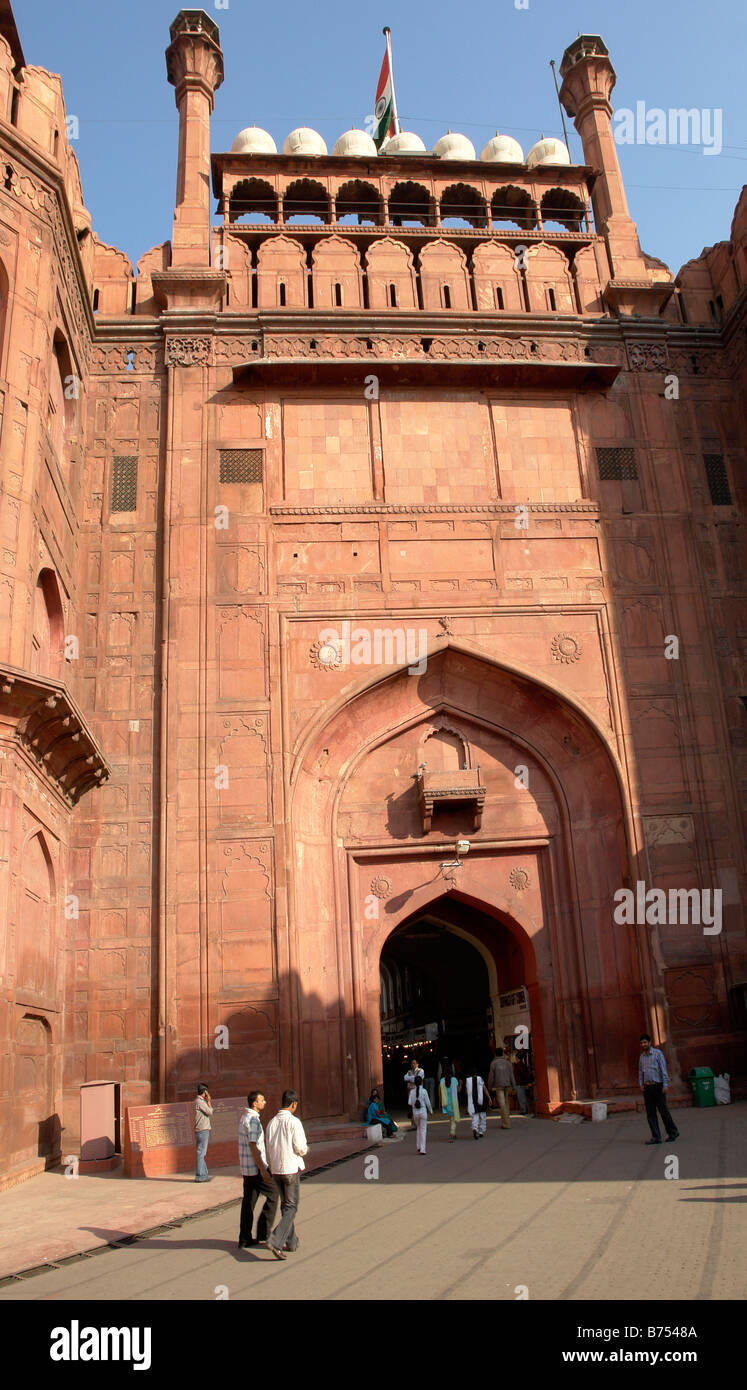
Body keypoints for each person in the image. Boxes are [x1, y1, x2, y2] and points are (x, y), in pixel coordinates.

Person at [266, 1089, 308, 1259]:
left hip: (276, 1169)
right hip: (290, 1168)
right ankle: (276, 1240)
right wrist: (305, 1150)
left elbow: (268, 1146)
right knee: (291, 1206)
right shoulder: (293, 1122)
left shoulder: (271, 1123)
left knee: (286, 1206)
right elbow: (300, 1147)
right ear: (293, 1104)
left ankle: (291, 1242)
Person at [238, 1090, 279, 1249]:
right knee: (274, 1193)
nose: (265, 1102)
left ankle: (244, 1238)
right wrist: (262, 1169)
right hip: (256, 1168)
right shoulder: (253, 1120)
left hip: (246, 1168)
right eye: (262, 1100)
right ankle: (263, 1232)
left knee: (248, 1203)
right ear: (254, 1103)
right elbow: (254, 1146)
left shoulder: (243, 1118)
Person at [639, 1034, 679, 1145]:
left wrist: (665, 1085)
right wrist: (641, 1084)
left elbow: (663, 1069)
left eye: (645, 1042)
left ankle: (673, 1132)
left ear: (649, 1043)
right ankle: (656, 1136)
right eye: (642, 1043)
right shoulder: (642, 1057)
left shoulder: (657, 1054)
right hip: (647, 1087)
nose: (643, 1044)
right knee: (650, 1113)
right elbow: (640, 1072)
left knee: (663, 1111)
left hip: (658, 1086)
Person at [488, 1047, 515, 1130]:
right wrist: (514, 1085)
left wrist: (490, 1086)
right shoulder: (508, 1063)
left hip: (499, 1085)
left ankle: (506, 1123)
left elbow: (491, 1077)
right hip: (507, 1084)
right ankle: (506, 1120)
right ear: (502, 1053)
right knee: (506, 1103)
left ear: (495, 1054)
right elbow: (511, 1075)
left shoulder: (494, 1063)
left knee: (502, 1104)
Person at [194, 1083, 213, 1182]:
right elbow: (210, 1112)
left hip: (201, 1129)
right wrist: (209, 1102)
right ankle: (200, 1176)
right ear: (204, 1092)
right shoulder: (200, 1102)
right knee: (201, 1153)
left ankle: (204, 1174)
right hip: (202, 1130)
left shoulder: (199, 1101)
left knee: (201, 1152)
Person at [439, 1061, 462, 1140]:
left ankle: (454, 1133)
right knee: (453, 1119)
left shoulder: (442, 1081)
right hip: (454, 1102)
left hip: (446, 1103)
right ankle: (452, 1133)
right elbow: (458, 1090)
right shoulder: (454, 1080)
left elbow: (441, 1094)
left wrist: (440, 1103)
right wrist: (461, 1084)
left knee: (451, 1118)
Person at [465, 1068, 490, 1139]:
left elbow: (467, 1092)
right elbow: (484, 1089)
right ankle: (481, 1132)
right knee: (482, 1116)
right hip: (481, 1101)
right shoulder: (480, 1079)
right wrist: (489, 1098)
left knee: (475, 1116)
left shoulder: (468, 1081)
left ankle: (475, 1128)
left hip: (473, 1102)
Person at [411, 1074, 432, 1154]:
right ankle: (423, 1149)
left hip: (415, 1113)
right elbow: (428, 1103)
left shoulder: (412, 1092)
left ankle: (418, 1147)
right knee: (423, 1130)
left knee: (418, 1129)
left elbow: (410, 1103)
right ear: (422, 1082)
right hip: (423, 1112)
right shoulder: (424, 1091)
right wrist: (431, 1111)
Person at [404, 1057, 424, 1131]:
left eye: (414, 1063)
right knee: (412, 1107)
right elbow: (405, 1078)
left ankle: (419, 1123)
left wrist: (411, 1078)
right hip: (411, 1091)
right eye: (412, 1063)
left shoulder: (421, 1070)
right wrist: (413, 1078)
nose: (413, 1064)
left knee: (419, 1106)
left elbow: (418, 1078)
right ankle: (413, 1123)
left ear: (417, 1064)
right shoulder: (409, 1071)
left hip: (419, 1091)